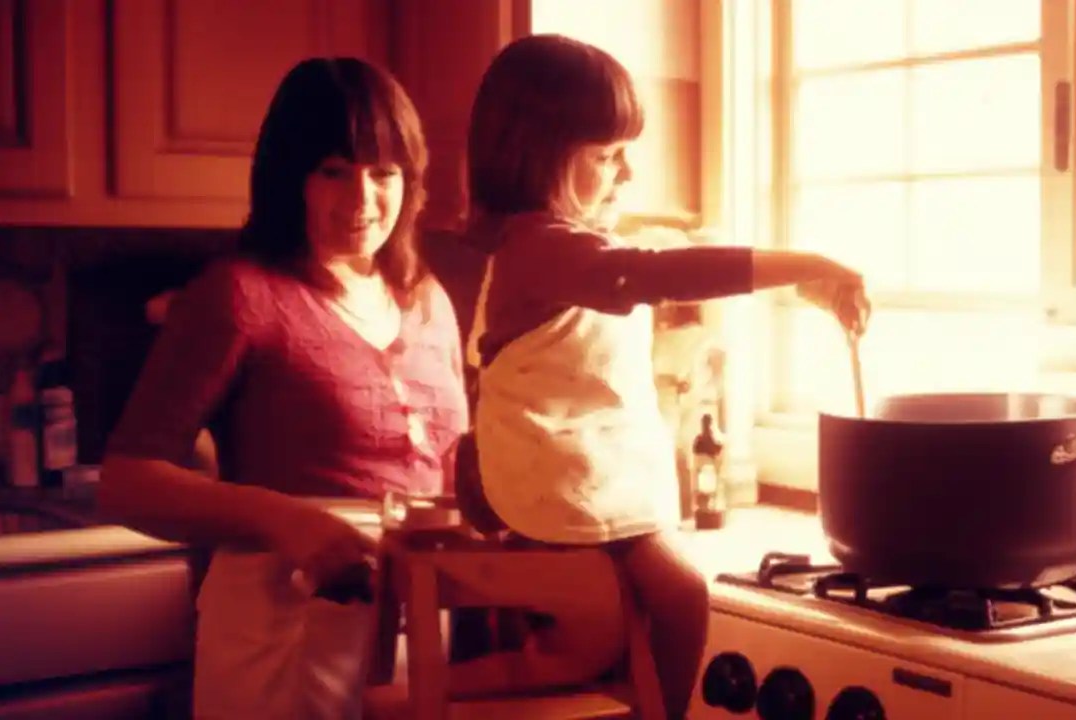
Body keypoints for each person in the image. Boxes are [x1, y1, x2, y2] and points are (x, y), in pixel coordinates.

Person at [456, 34, 870, 718]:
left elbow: (665, 260)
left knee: (684, 595)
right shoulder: (536, 249)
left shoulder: (581, 247)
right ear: (537, 157)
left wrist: (800, 282)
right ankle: (434, 689)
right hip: (543, 475)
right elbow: (651, 274)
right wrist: (809, 265)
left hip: (594, 474)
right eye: (609, 157)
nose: (627, 176)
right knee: (592, 633)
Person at [98, 57, 468, 719]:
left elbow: (448, 469)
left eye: (383, 173)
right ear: (288, 176)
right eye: (334, 171)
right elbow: (127, 479)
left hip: (413, 633)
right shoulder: (240, 295)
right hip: (281, 625)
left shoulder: (428, 302)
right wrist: (285, 518)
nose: (363, 201)